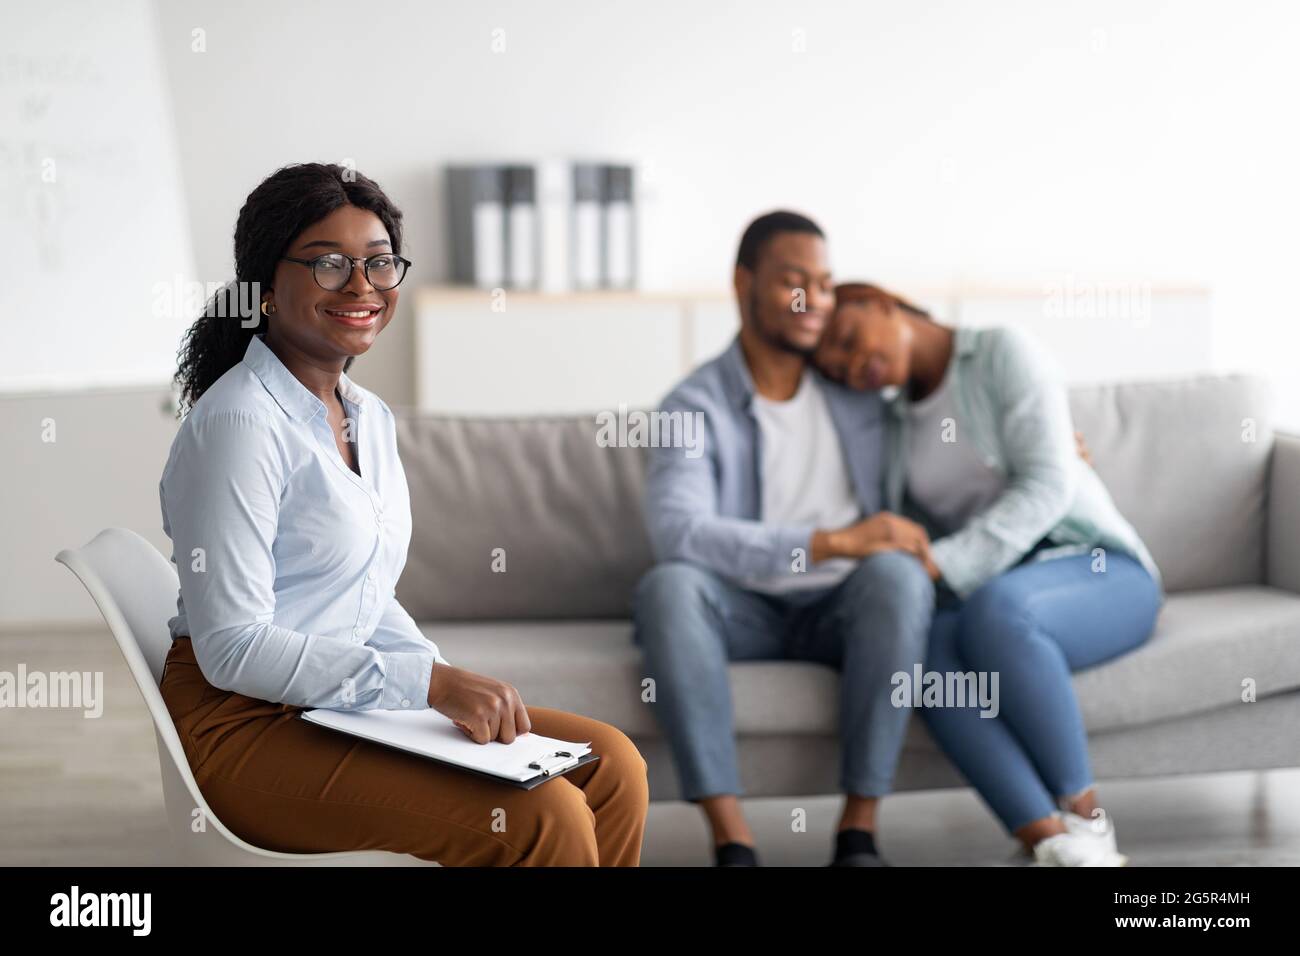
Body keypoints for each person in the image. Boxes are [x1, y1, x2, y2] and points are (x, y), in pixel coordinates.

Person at [159, 163, 647, 867]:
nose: (362, 286)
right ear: (265, 289)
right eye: (329, 264)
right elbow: (234, 647)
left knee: (609, 766)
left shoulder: (369, 418)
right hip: (247, 726)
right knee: (540, 815)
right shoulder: (239, 424)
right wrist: (427, 687)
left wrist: (431, 677)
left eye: (380, 263)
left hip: (338, 703)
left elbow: (364, 597)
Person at [813, 283, 1164, 866]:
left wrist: (945, 564)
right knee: (919, 653)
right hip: (989, 594)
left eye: (849, 339)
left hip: (1095, 570)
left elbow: (1049, 483)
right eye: (841, 371)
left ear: (881, 301)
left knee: (1000, 612)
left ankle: (1089, 822)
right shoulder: (894, 422)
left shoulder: (1003, 351)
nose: (855, 366)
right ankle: (1051, 842)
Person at [633, 212, 937, 867]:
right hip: (743, 609)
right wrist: (835, 541)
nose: (814, 303)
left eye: (825, 286)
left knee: (897, 576)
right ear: (744, 284)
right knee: (669, 587)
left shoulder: (858, 390)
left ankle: (858, 835)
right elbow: (679, 532)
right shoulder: (694, 405)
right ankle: (733, 841)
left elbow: (952, 406)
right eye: (793, 283)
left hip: (843, 607)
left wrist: (1053, 448)